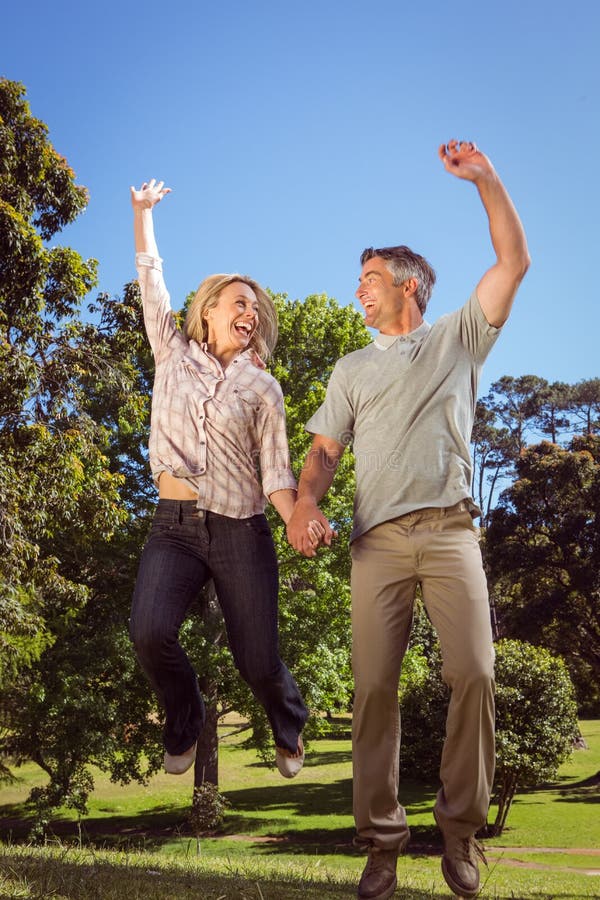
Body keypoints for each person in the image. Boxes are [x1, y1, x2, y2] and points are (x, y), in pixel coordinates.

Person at [286, 140, 530, 899]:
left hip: (452, 532)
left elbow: (513, 261)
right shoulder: (351, 369)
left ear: (409, 285)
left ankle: (459, 834)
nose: (357, 291)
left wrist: (485, 178)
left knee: (476, 674)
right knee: (373, 691)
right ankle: (382, 842)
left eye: (368, 279)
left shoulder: (457, 337)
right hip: (377, 545)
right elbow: (325, 452)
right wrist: (305, 503)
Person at [129, 179, 318, 780]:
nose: (250, 311)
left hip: (242, 531)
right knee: (150, 632)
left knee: (258, 660)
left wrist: (300, 520)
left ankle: (288, 724)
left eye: (254, 306)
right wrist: (143, 215)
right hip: (175, 526)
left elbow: (277, 476)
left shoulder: (264, 388)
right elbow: (151, 279)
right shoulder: (172, 352)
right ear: (207, 309)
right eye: (238, 301)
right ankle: (185, 720)